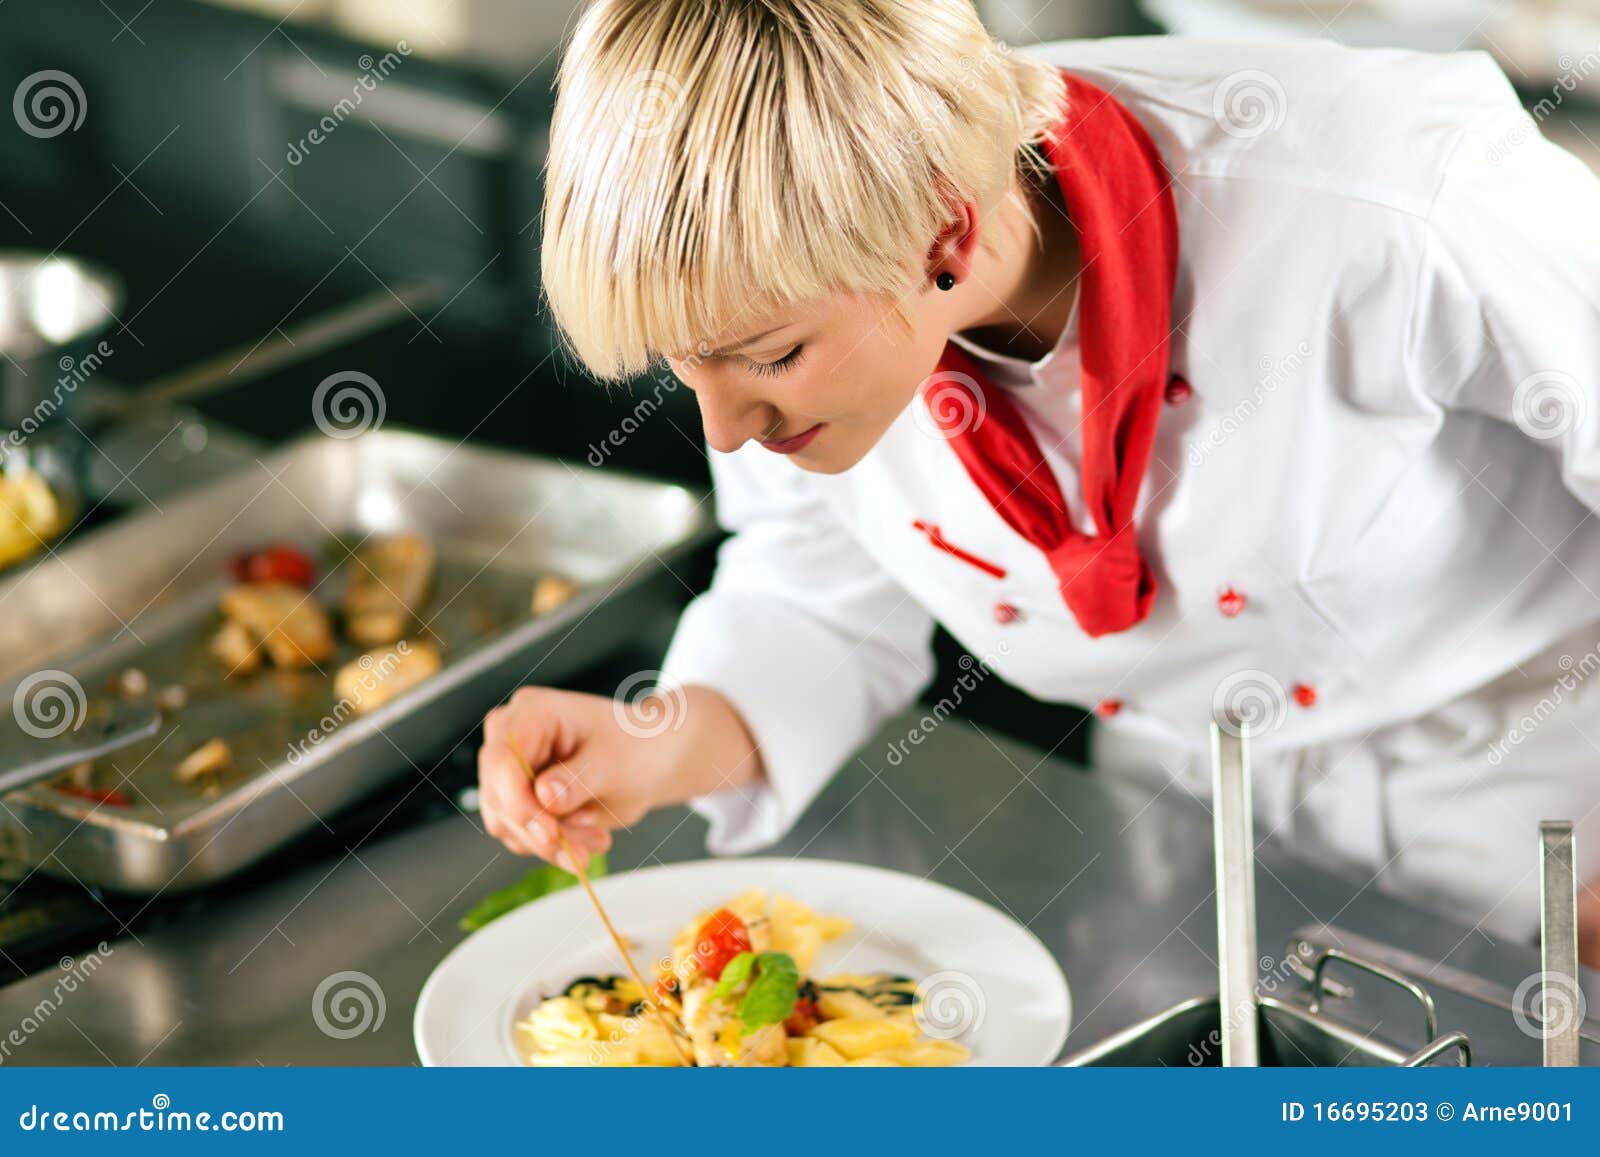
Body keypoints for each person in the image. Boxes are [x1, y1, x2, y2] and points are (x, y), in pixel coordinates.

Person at [479, 0, 1600, 964]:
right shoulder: (795, 297)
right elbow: (809, 593)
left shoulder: (1387, 196)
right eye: (688, 368)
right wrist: (664, 735)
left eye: (771, 356)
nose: (725, 431)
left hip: (1523, 796)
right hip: (1176, 816)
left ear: (946, 233)